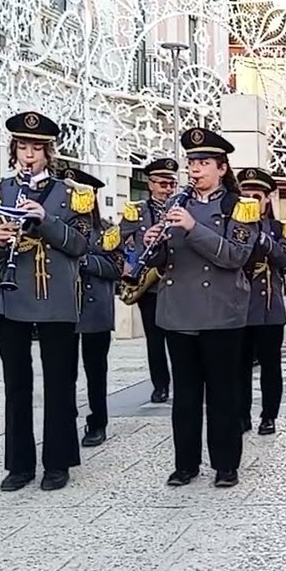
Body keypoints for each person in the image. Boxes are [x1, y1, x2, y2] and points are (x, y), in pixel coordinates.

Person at [0, 111, 94, 491]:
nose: (29, 155)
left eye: (37, 148)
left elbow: (81, 245)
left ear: (48, 153)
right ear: (14, 150)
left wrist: (45, 219)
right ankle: (19, 465)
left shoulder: (74, 194)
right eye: (23, 147)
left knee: (59, 382)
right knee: (16, 384)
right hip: (12, 298)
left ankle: (58, 463)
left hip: (57, 298)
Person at [150, 127, 260, 488]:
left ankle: (226, 464)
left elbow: (235, 256)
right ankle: (185, 464)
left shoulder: (239, 207)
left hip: (220, 313)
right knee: (185, 395)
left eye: (204, 162)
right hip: (178, 310)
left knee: (222, 393)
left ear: (222, 168)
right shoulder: (174, 203)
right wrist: (154, 244)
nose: (195, 169)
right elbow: (165, 259)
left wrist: (193, 227)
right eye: (192, 162)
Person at [61, 167, 123, 449]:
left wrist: (84, 261)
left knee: (96, 370)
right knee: (64, 372)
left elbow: (116, 267)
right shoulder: (58, 229)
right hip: (63, 311)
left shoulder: (107, 231)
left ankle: (98, 422)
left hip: (95, 311)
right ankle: (65, 421)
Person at [235, 168, 286, 436]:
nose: (251, 201)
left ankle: (269, 415)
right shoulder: (230, 226)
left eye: (256, 196)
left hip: (269, 308)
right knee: (239, 366)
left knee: (271, 366)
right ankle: (241, 415)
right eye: (245, 196)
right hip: (238, 307)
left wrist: (264, 240)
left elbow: (285, 259)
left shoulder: (278, 228)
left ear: (267, 199)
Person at [119, 157, 181, 404]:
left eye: (172, 184)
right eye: (163, 184)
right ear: (150, 184)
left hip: (178, 283)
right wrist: (133, 261)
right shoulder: (136, 211)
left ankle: (184, 382)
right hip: (151, 285)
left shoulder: (182, 207)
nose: (168, 189)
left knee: (179, 338)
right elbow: (120, 242)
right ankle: (160, 385)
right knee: (155, 340)